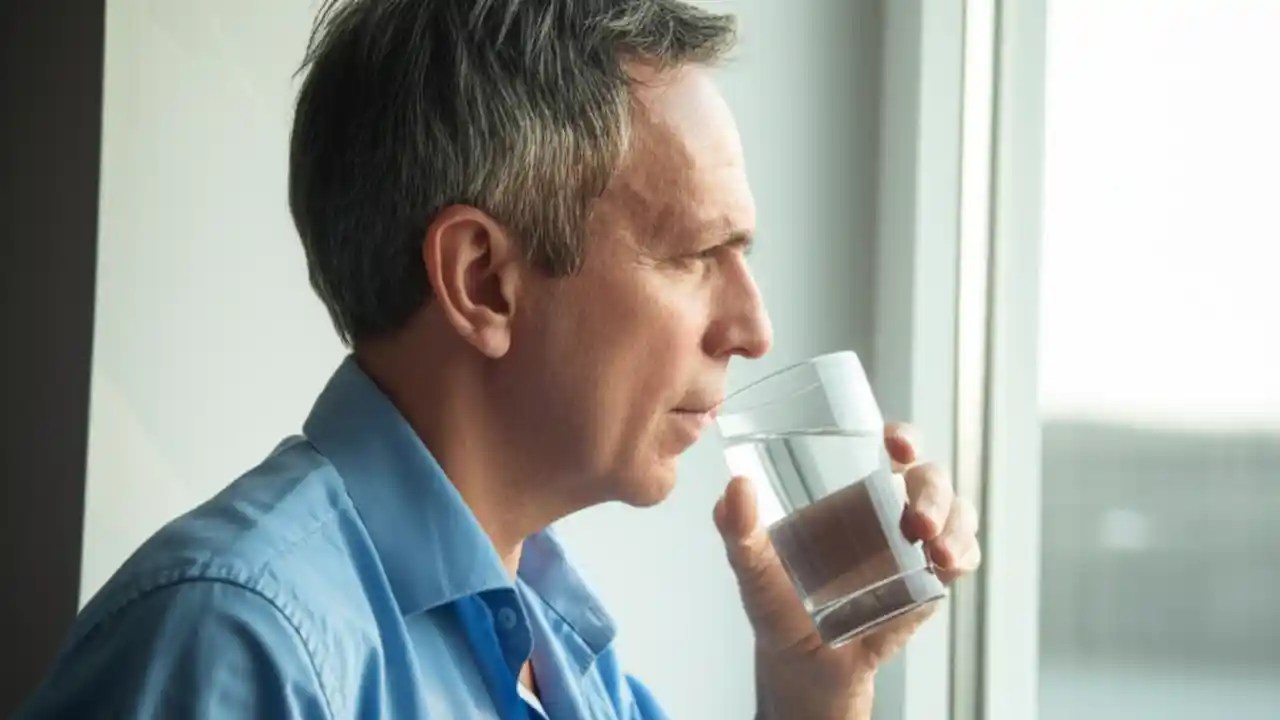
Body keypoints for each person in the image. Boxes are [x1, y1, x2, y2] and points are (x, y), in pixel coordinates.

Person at [20, 1, 981, 717]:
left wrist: (816, 684)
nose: (752, 327)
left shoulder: (571, 668)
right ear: (482, 280)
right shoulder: (237, 649)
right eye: (696, 256)